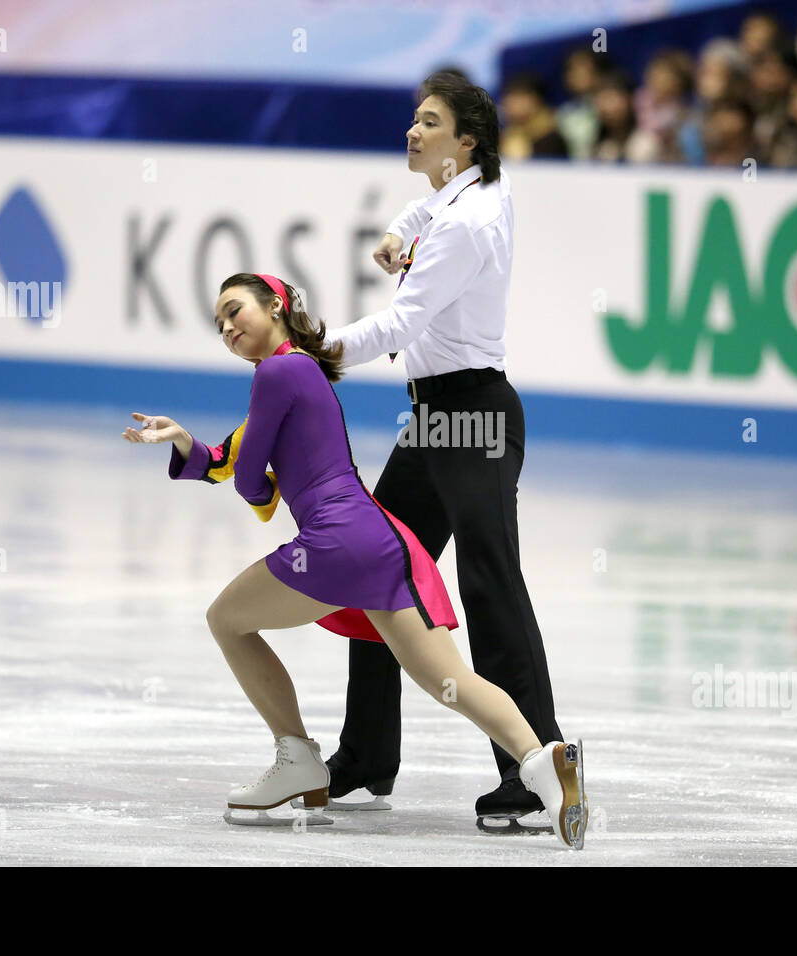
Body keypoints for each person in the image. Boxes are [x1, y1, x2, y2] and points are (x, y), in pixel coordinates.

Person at [121, 271, 588, 848]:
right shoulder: (299, 369)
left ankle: (296, 758)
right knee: (446, 678)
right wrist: (186, 441)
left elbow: (245, 474)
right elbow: (234, 452)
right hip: (377, 540)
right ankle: (543, 762)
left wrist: (264, 492)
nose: (226, 327)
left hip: (333, 541)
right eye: (218, 322)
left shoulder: (276, 371)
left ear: (275, 306)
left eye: (234, 310)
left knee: (226, 620)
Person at [319, 71, 567, 830]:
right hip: (435, 423)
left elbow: (396, 328)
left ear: (467, 140)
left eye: (429, 122)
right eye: (413, 119)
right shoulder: (473, 192)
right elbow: (426, 205)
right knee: (374, 569)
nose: (412, 131)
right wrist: (398, 231)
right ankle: (365, 755)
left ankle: (534, 769)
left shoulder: (465, 224)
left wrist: (315, 351)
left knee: (490, 585)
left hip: (474, 421)